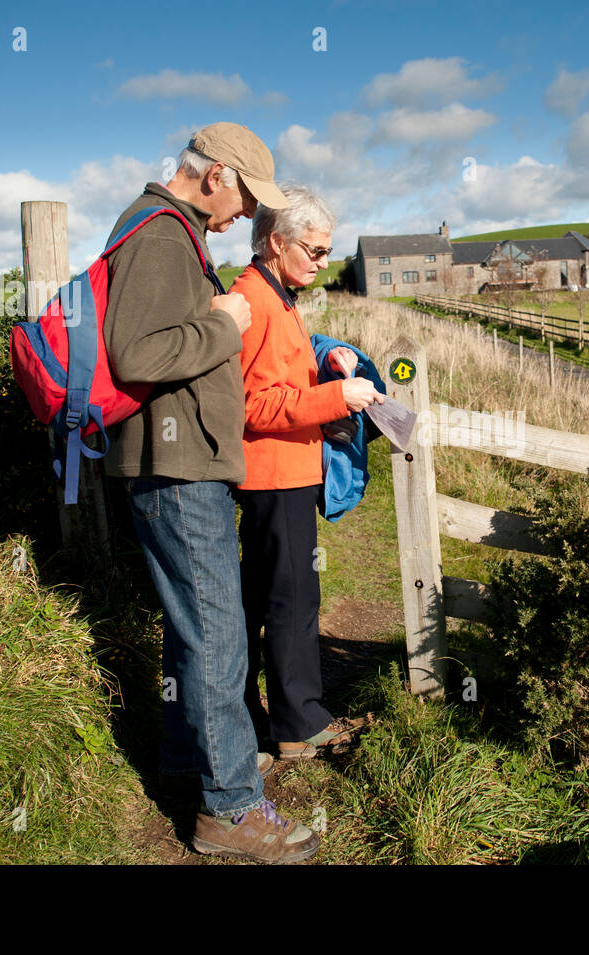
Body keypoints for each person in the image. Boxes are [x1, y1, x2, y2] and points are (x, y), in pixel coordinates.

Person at [102, 123, 319, 863]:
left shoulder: (169, 230)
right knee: (219, 633)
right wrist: (224, 324)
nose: (245, 215)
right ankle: (229, 808)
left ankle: (182, 759)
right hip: (176, 468)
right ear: (215, 175)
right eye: (246, 197)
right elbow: (138, 353)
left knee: (193, 626)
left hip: (179, 464)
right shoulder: (162, 235)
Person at [229, 185, 383, 760]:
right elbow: (253, 405)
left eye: (326, 251)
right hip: (274, 472)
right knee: (291, 600)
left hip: (286, 469)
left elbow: (284, 368)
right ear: (275, 241)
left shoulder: (275, 294)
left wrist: (326, 359)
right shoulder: (258, 300)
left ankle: (269, 719)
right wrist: (337, 397)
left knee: (278, 594)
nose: (324, 262)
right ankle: (298, 724)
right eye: (315, 251)